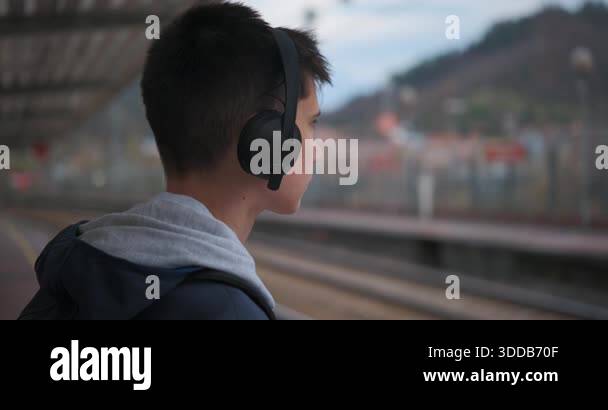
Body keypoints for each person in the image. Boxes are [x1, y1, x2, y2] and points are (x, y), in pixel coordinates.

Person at [18, 1, 331, 321]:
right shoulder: (228, 311)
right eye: (312, 123)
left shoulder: (78, 272)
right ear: (266, 138)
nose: (317, 147)